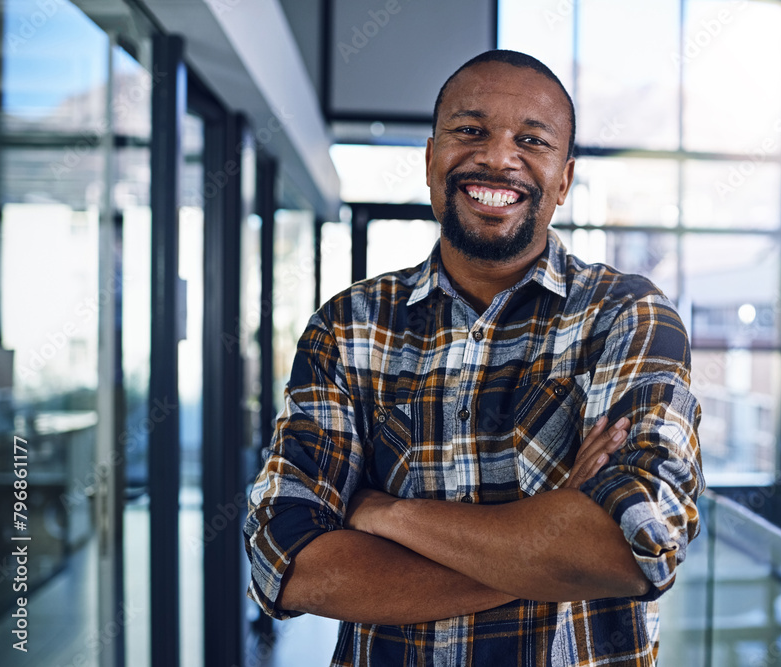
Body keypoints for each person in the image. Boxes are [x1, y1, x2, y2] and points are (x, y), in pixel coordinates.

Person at [243, 49, 705, 666]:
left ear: (563, 180)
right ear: (432, 159)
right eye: (471, 131)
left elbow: (631, 550)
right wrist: (549, 533)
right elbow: (288, 561)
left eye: (531, 140)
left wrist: (383, 514)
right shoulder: (347, 326)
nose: (497, 157)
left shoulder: (627, 317)